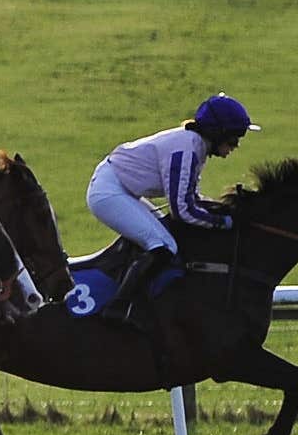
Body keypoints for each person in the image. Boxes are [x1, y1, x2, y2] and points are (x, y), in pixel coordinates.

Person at [87, 92, 257, 322]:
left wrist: (221, 210)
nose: (235, 146)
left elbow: (192, 198)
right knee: (163, 246)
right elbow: (183, 210)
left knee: (164, 235)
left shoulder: (196, 146)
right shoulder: (186, 148)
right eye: (234, 138)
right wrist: (225, 222)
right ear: (217, 132)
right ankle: (118, 309)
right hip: (110, 192)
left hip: (120, 187)